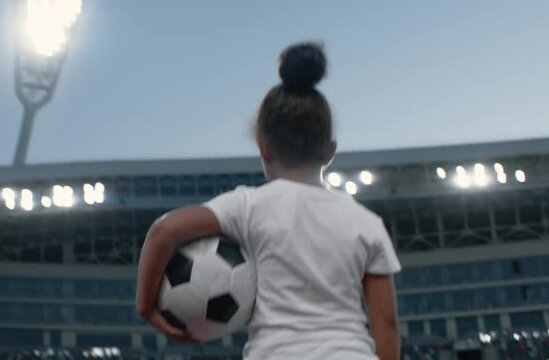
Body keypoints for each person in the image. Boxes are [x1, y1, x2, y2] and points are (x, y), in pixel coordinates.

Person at [135, 42, 401, 360]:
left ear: (264, 149)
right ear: (330, 152)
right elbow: (386, 323)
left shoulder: (249, 206)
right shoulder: (366, 222)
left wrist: (146, 305)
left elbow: (164, 232)